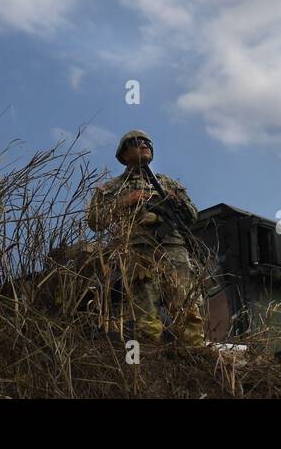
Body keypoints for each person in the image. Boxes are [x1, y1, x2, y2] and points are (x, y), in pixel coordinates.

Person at [86, 130, 205, 347]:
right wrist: (124, 201)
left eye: (148, 142)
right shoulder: (113, 187)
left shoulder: (168, 184)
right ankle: (153, 361)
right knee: (146, 314)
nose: (144, 145)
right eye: (136, 142)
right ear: (123, 154)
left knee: (188, 309)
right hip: (138, 252)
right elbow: (95, 222)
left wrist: (176, 201)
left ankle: (195, 355)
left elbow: (192, 215)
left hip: (173, 249)